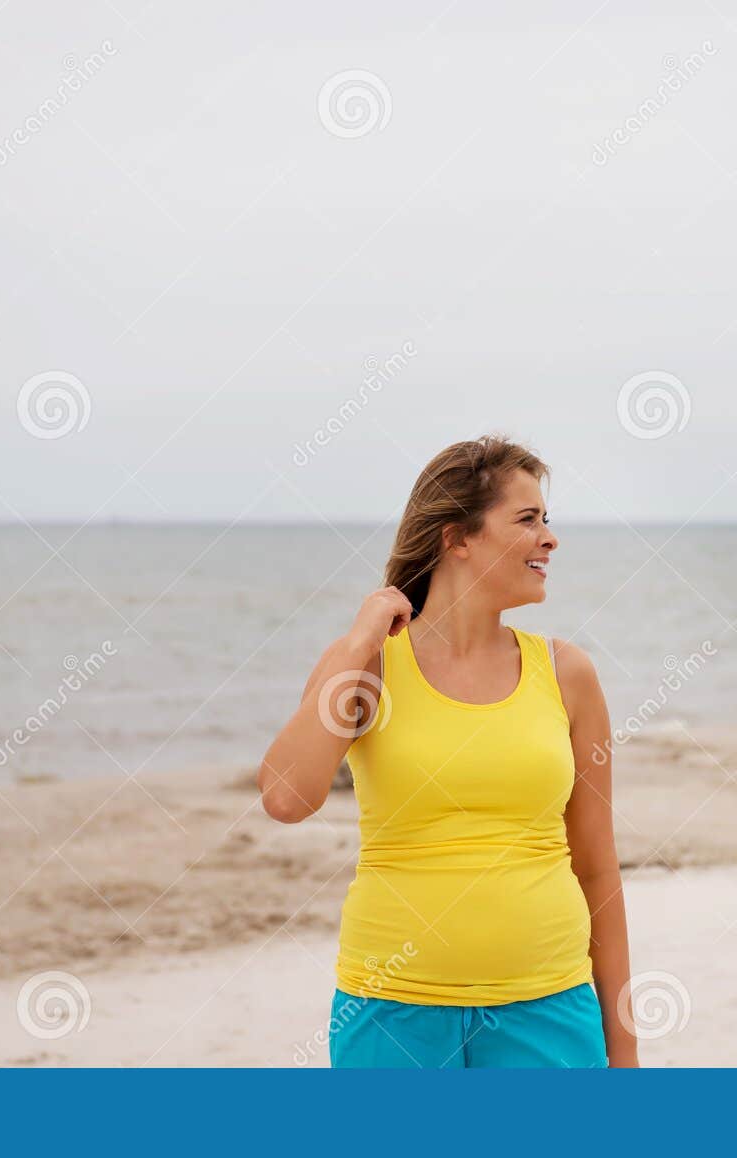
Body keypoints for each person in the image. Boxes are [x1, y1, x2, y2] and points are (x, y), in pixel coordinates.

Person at [258, 434, 638, 1067]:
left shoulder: (568, 674)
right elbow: (286, 797)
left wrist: (625, 1060)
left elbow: (598, 871)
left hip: (550, 1007)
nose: (550, 538)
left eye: (547, 519)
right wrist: (357, 646)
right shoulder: (366, 663)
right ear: (456, 536)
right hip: (391, 1010)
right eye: (527, 519)